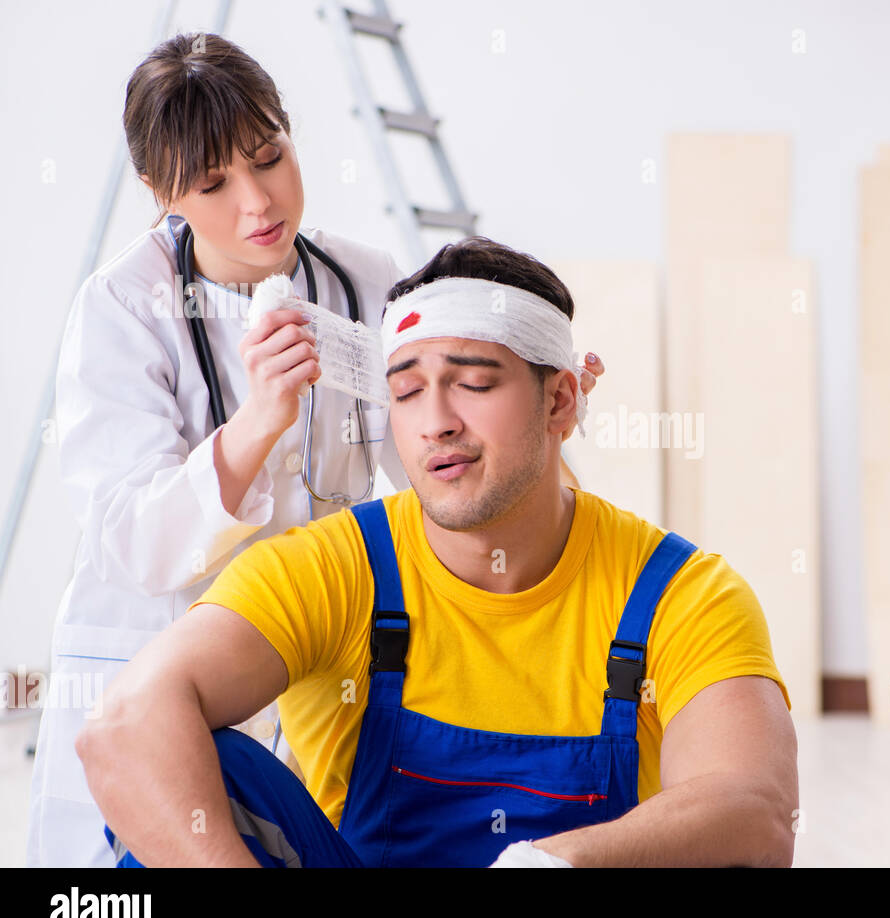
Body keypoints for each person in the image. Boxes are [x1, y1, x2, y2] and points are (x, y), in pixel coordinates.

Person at [27, 33, 603, 868]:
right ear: (161, 194)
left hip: (311, 656)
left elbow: (440, 465)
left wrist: (538, 419)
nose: (258, 201)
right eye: (214, 182)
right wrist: (259, 422)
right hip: (159, 650)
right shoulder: (124, 306)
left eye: (270, 156)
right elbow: (134, 540)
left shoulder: (364, 281)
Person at [77, 236, 799, 868]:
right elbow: (122, 728)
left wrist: (554, 859)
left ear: (560, 402)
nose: (435, 425)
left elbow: (754, 805)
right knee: (197, 768)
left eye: (475, 383)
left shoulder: (680, 593)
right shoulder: (337, 568)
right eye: (410, 391)